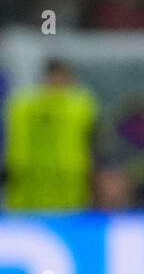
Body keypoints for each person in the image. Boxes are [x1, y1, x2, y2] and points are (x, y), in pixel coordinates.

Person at [3, 60, 99, 210]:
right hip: (30, 178)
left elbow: (90, 140)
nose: (58, 82)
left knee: (68, 222)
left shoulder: (81, 106)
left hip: (69, 177)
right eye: (55, 76)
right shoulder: (23, 106)